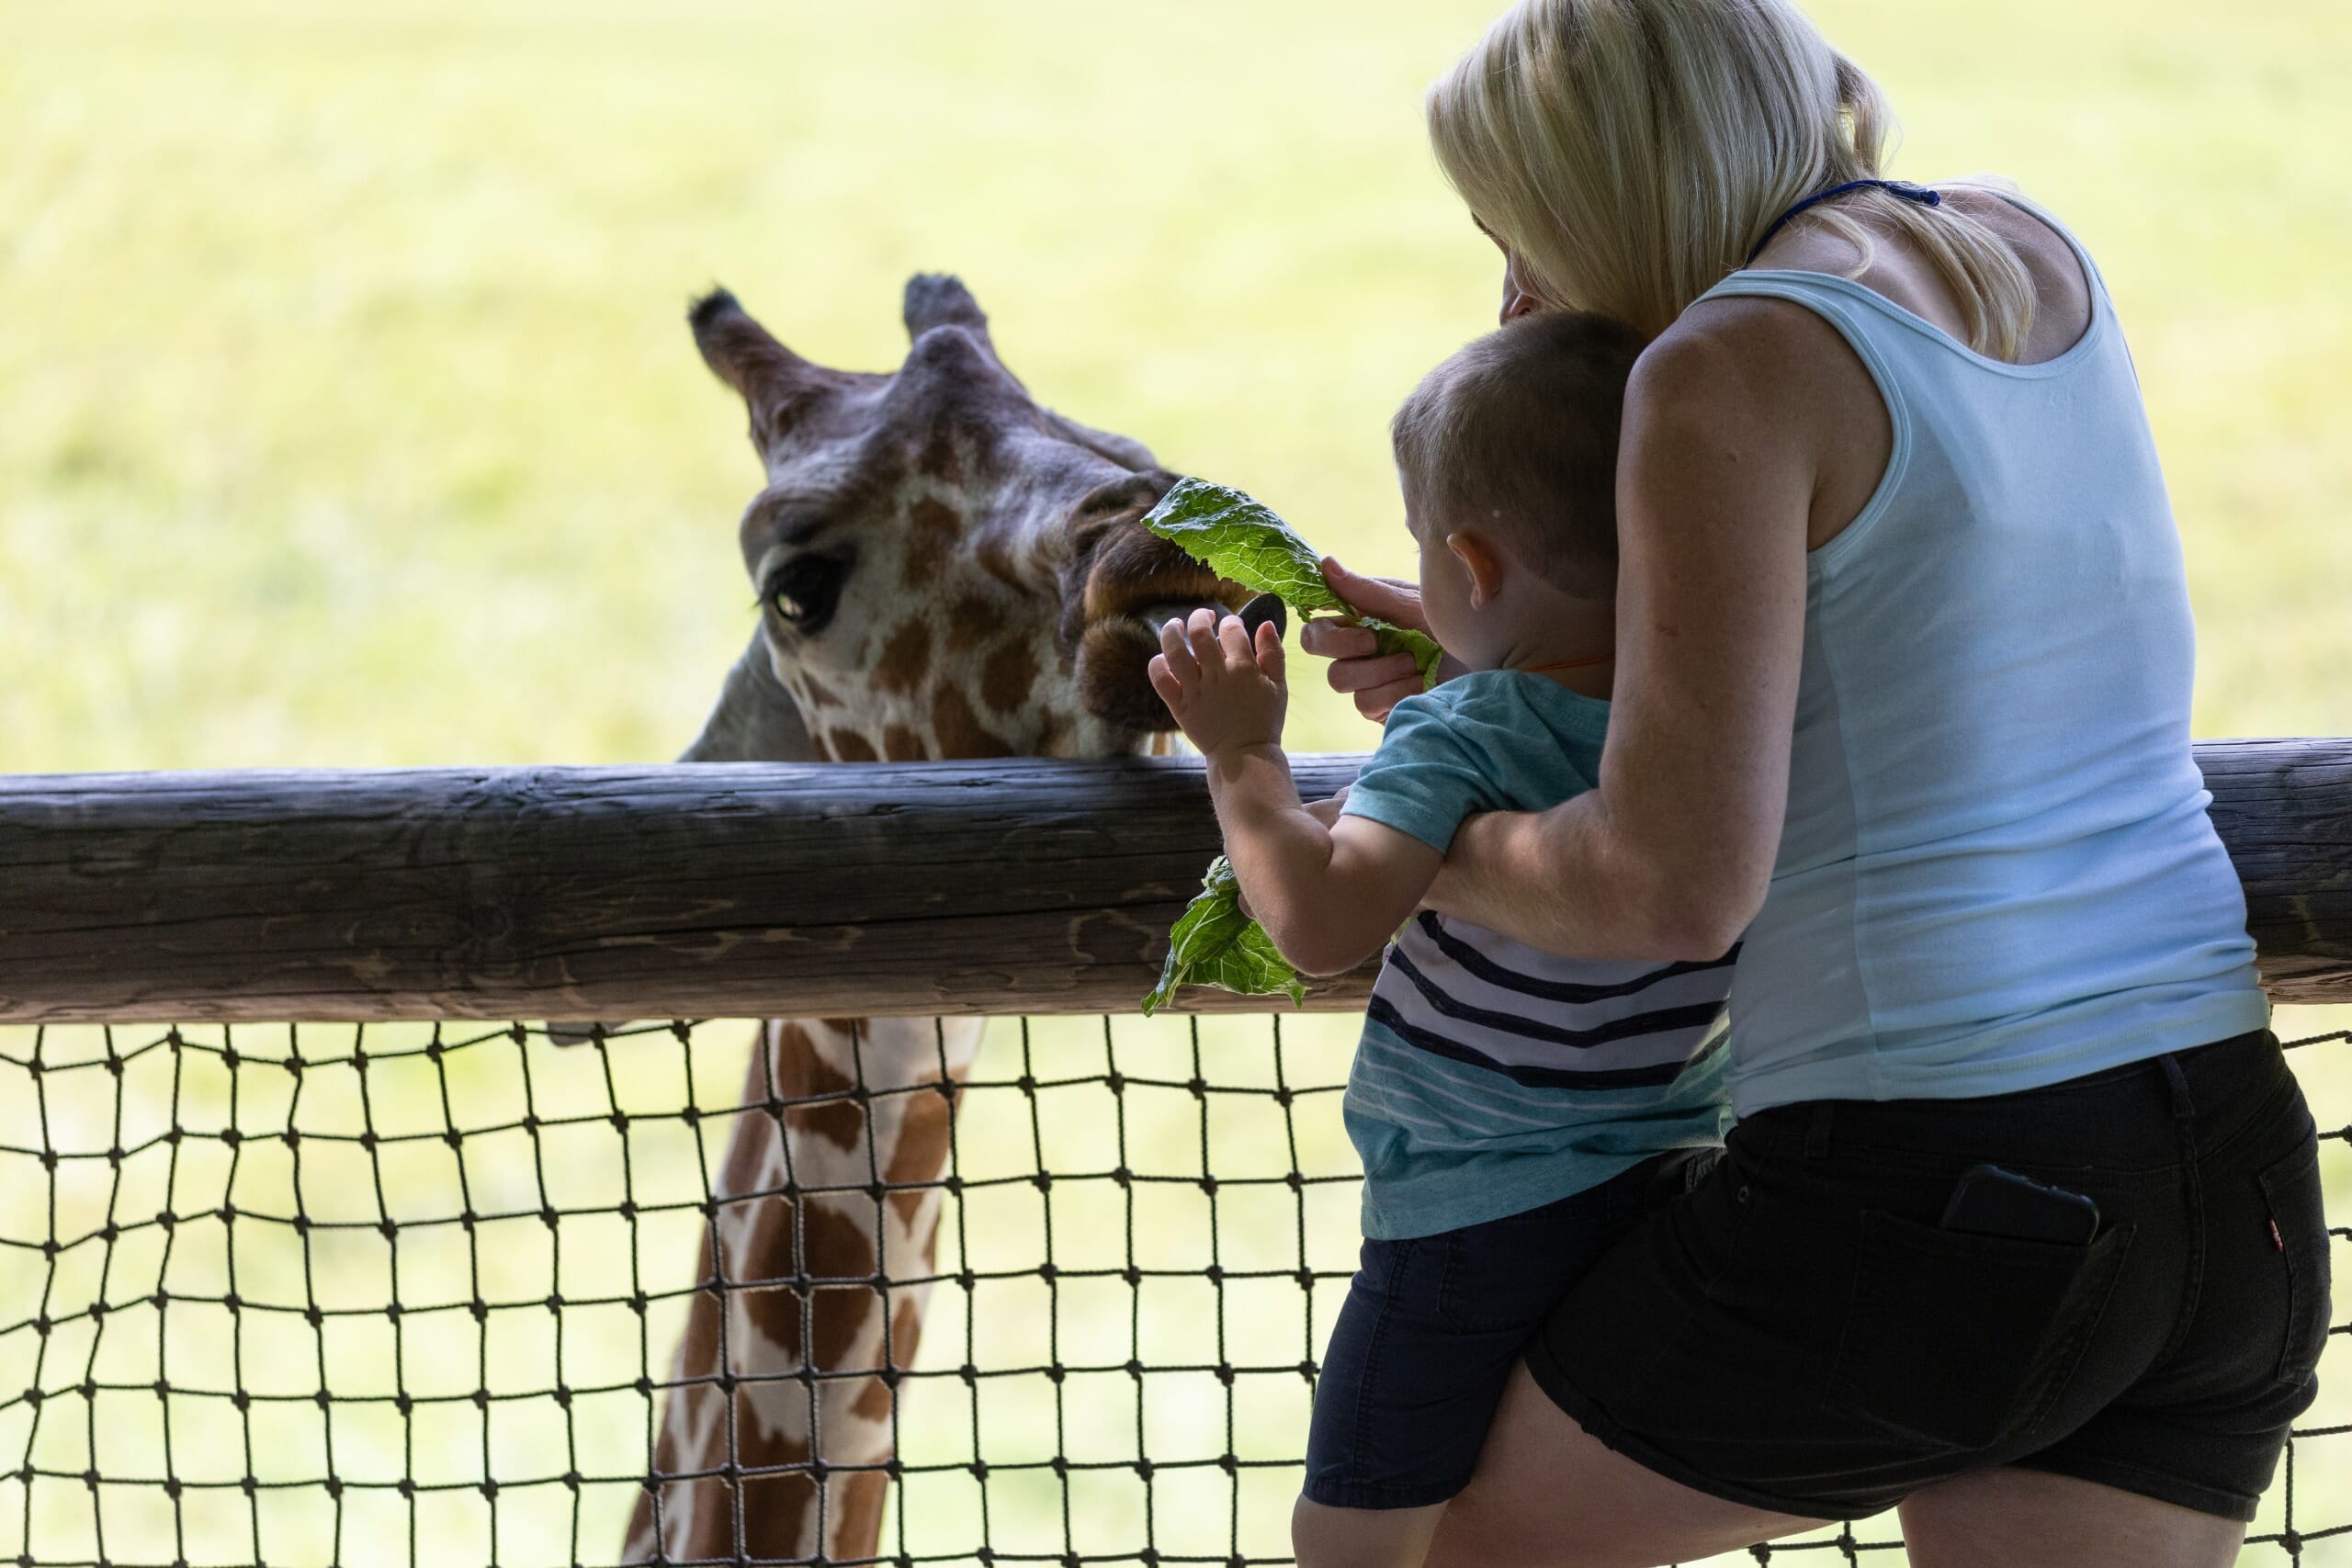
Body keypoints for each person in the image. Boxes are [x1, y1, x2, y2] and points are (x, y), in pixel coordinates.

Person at [1298, 3, 2326, 1565]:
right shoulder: (2026, 250)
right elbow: (1907, 657)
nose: (1513, 297)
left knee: (1413, 1545)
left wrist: (1417, 837)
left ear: (1609, 198)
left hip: (1927, 1195)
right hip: (2225, 1182)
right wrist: (1496, 687)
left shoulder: (1724, 364)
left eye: (1523, 236)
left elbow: (1669, 884)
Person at [1148, 310, 1733, 1568]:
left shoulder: (1461, 736)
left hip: (1468, 1209)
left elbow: (1317, 919)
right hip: (1669, 1184)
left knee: (1352, 1535)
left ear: (1466, 564)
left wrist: (1243, 757)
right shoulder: (1716, 725)